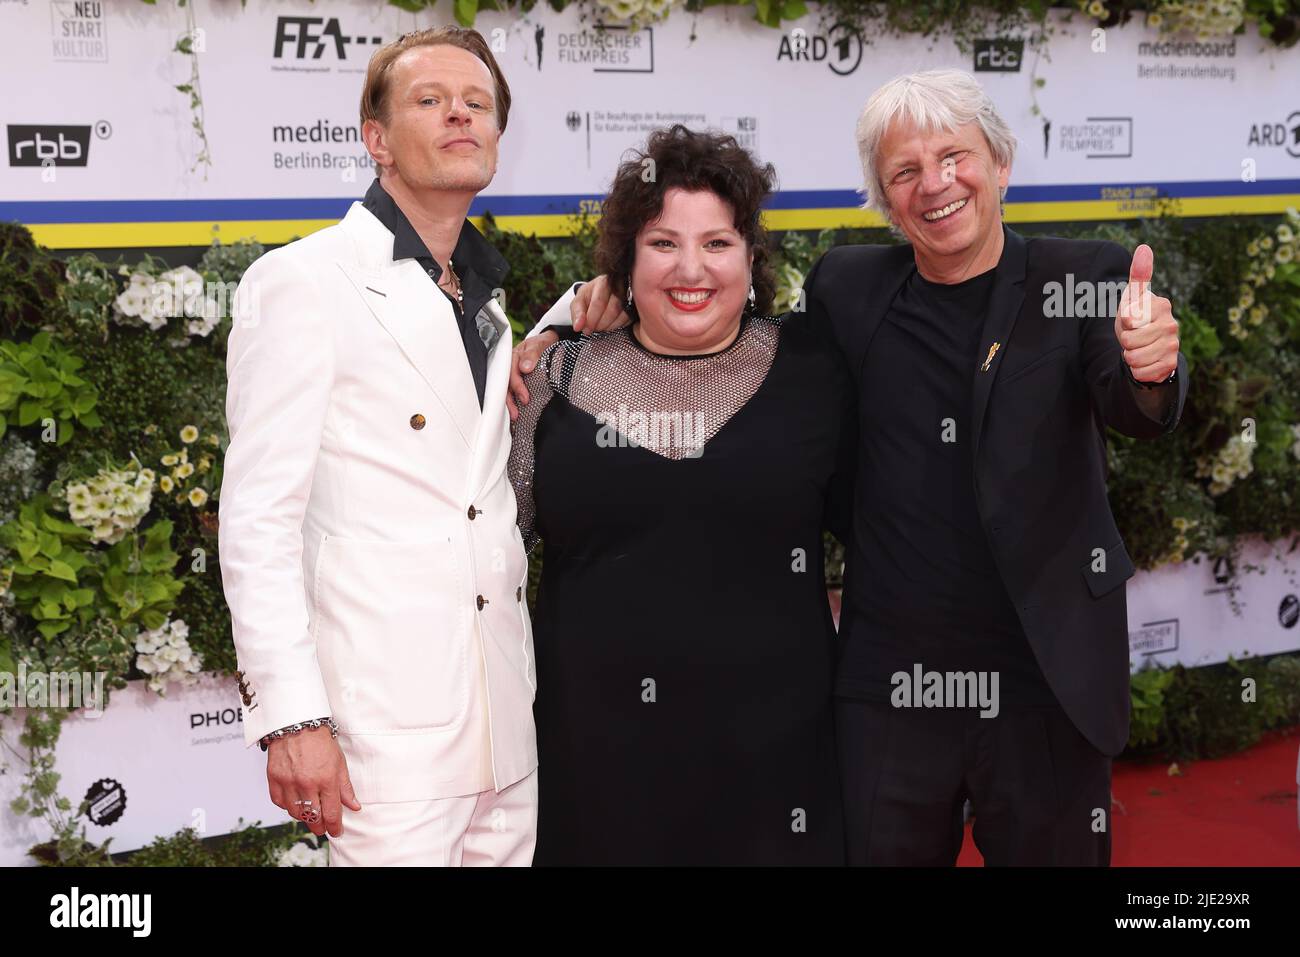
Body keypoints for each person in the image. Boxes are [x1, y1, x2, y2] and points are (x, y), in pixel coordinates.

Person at [519, 70, 1187, 866]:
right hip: (888, 695)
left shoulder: (1084, 276)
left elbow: (1134, 396)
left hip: (1042, 682)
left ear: (1001, 164)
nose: (934, 184)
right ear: (883, 196)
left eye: (955, 157)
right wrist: (599, 302)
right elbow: (704, 322)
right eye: (905, 171)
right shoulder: (849, 289)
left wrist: (1153, 369)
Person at [219, 27, 538, 867]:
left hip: (505, 730)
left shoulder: (490, 300)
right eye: (430, 101)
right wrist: (291, 716)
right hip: (381, 742)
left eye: (478, 104)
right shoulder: (302, 282)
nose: (460, 116)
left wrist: (578, 308)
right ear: (376, 141)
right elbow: (256, 519)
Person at [508, 124, 852, 865]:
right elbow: (484, 556)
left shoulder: (817, 371)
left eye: (718, 243)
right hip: (592, 759)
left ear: (751, 258)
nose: (691, 267)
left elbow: (893, 531)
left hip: (778, 763)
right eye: (663, 242)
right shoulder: (551, 379)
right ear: (624, 260)